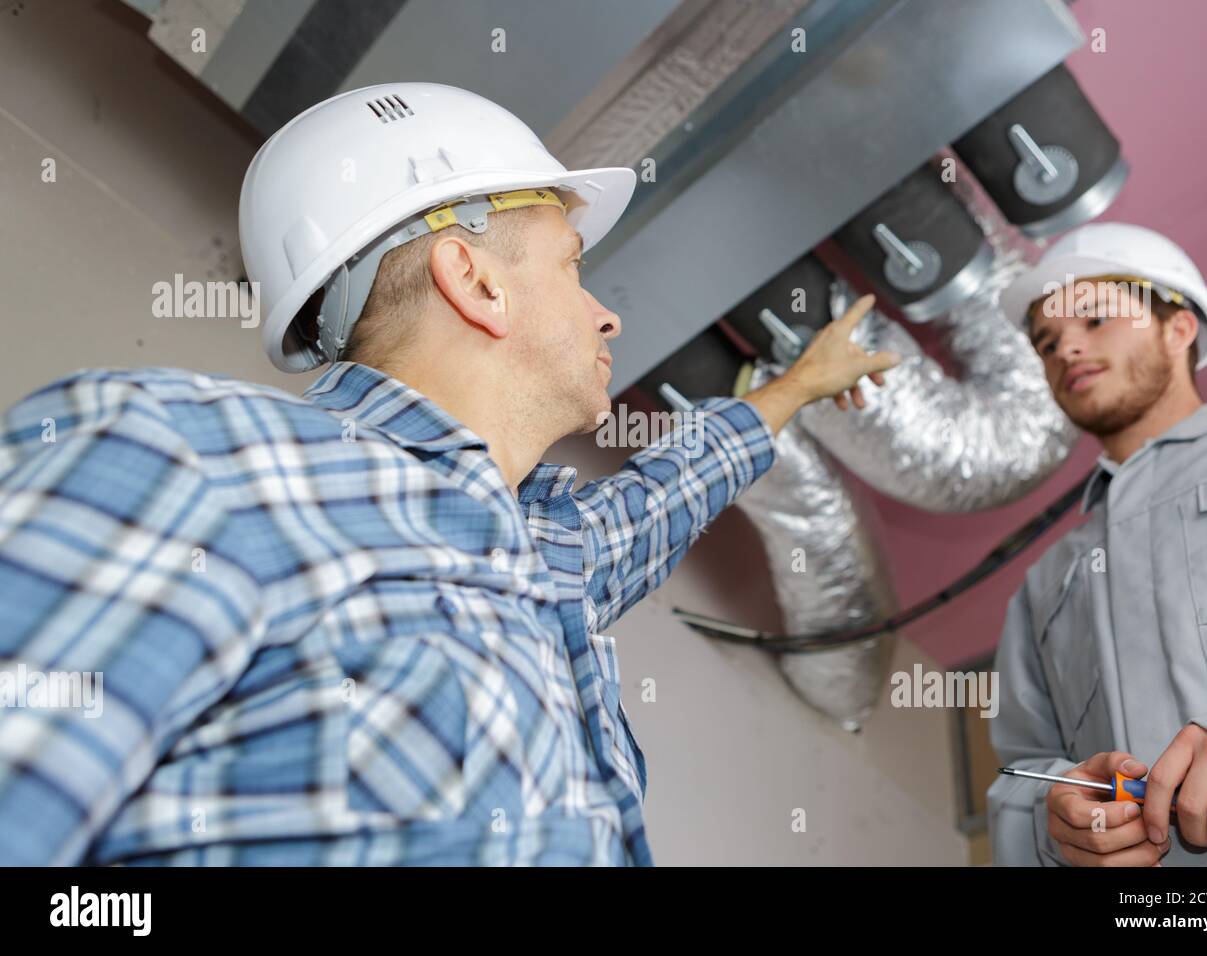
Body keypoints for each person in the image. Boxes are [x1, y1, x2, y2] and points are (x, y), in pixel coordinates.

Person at [0, 82, 899, 865]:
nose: (606, 317)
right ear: (475, 282)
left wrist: (801, 385)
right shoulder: (190, 456)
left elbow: (666, 496)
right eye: (573, 267)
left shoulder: (545, 563)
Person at [987, 221, 1207, 866]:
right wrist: (1055, 828)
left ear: (1178, 328)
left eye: (1094, 319)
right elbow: (1024, 772)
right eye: (1047, 343)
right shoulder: (1045, 586)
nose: (1066, 349)